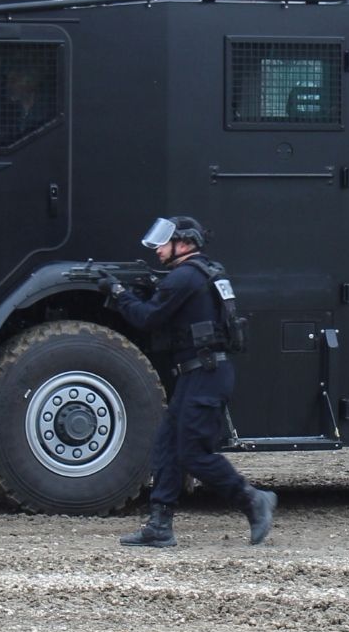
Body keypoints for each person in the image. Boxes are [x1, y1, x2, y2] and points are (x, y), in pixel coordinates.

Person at [101, 216, 274, 549]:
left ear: (184, 243)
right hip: (200, 373)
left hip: (205, 373)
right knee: (167, 446)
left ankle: (253, 500)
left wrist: (119, 293)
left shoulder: (184, 277)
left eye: (164, 242)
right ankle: (159, 526)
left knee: (193, 453)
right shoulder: (205, 272)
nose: (158, 249)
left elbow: (147, 318)